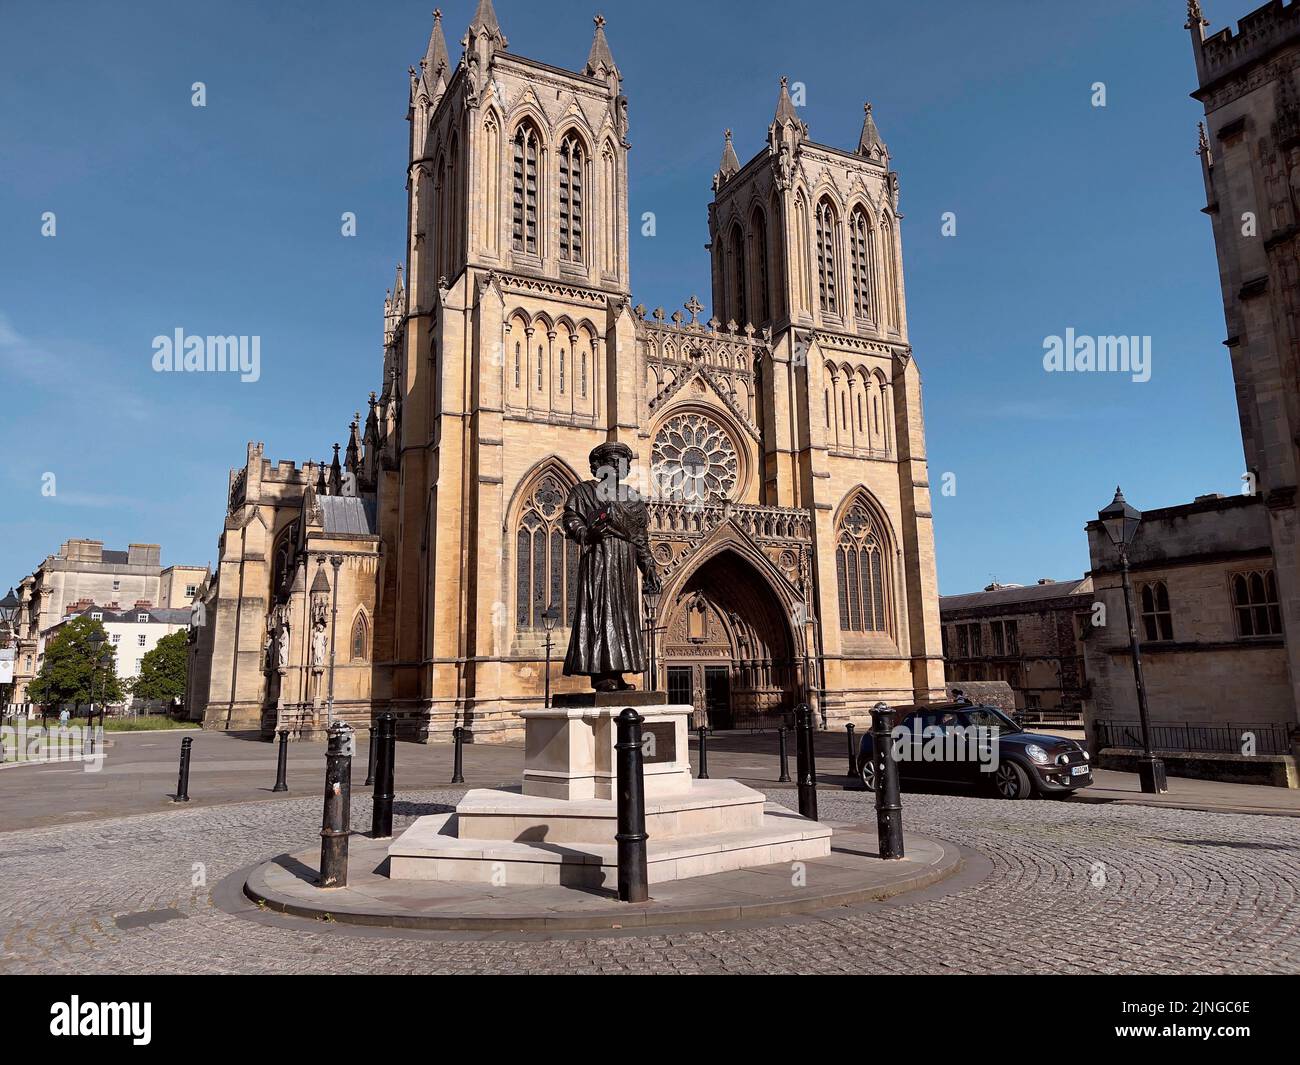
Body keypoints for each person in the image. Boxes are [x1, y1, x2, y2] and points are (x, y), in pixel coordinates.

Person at [561, 442, 661, 692]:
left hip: (625, 563)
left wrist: (648, 567)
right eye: (613, 462)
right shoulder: (584, 492)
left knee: (623, 616)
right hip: (600, 559)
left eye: (623, 463)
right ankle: (601, 675)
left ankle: (616, 673)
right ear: (599, 467)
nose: (618, 466)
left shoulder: (634, 499)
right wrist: (586, 532)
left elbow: (640, 538)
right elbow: (571, 520)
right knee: (601, 612)